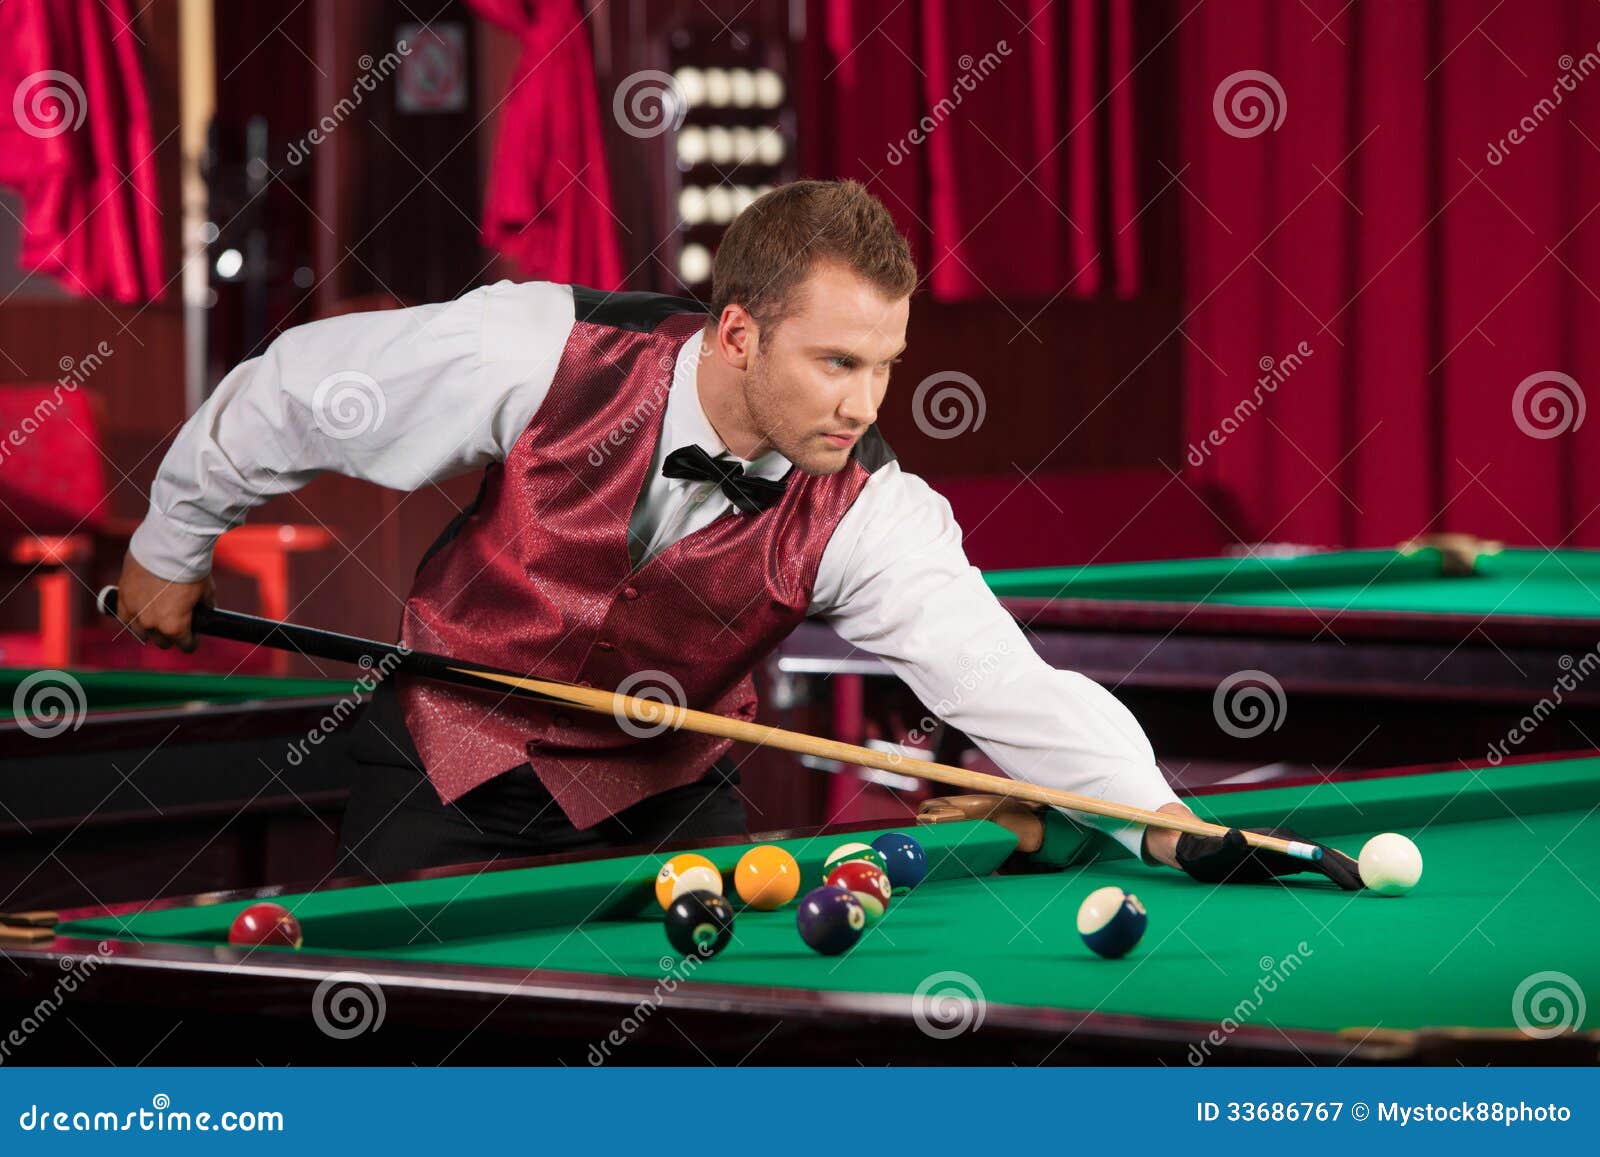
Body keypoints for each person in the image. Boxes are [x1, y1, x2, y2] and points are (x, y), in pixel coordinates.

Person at [114, 180, 1357, 888]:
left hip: (667, 808)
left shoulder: (871, 511)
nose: (864, 402)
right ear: (738, 332)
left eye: (882, 365)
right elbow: (294, 392)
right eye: (834, 361)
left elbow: (1004, 680)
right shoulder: (538, 343)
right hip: (450, 772)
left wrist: (1158, 816)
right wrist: (171, 549)